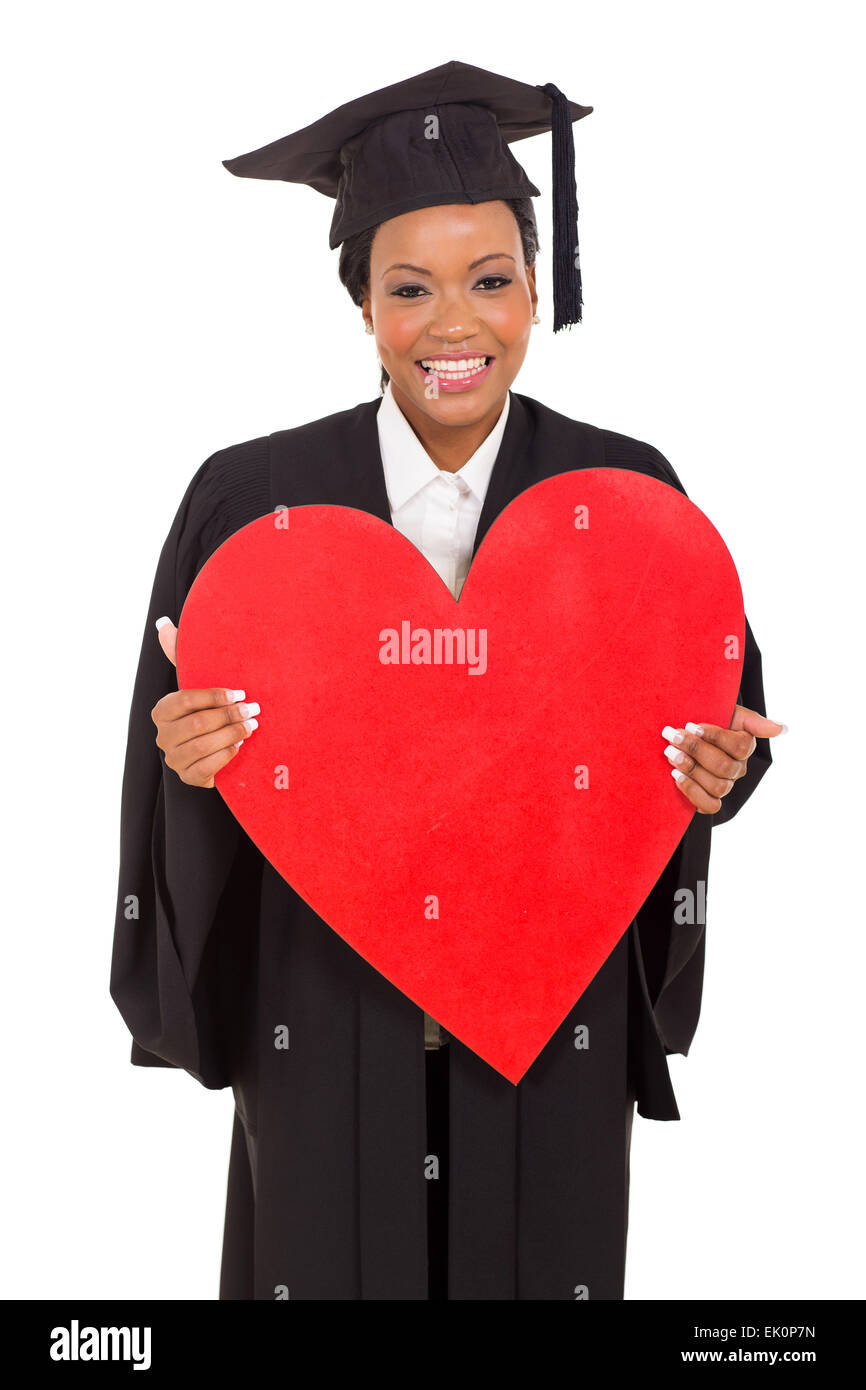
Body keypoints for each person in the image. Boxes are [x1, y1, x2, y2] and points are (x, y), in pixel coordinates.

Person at [110, 60, 785, 1301]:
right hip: (316, 1001)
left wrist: (720, 771)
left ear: (538, 286)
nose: (453, 323)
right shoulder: (250, 499)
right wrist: (190, 760)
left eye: (489, 280)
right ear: (361, 305)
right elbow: (173, 783)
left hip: (550, 1000)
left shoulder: (624, 496)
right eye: (408, 288)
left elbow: (712, 715)